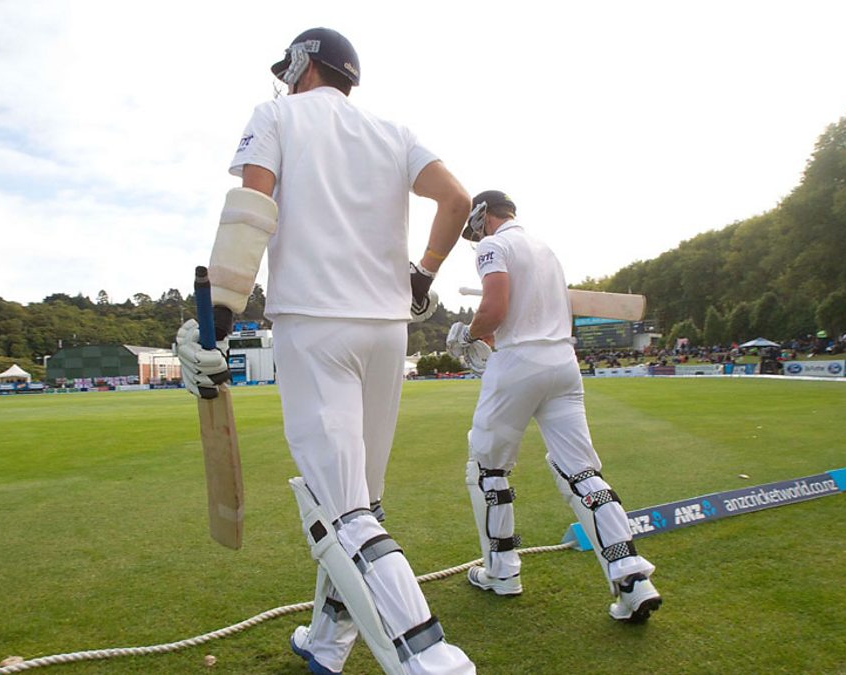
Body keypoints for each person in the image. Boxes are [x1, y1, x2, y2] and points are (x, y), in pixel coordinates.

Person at [175, 28, 474, 675]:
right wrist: (422, 275)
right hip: (386, 333)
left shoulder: (277, 115)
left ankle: (434, 661)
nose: (284, 79)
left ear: (306, 65)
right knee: (359, 499)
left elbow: (251, 208)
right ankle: (329, 638)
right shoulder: (394, 133)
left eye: (290, 68)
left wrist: (217, 321)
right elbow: (456, 200)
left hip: (315, 325)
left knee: (345, 511)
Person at [445, 190, 661, 623]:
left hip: (518, 362)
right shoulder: (546, 249)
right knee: (581, 471)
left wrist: (469, 335)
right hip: (564, 365)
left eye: (475, 227)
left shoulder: (493, 246)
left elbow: (495, 307)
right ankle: (632, 579)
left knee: (488, 470)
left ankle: (501, 571)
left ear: (485, 215)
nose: (475, 237)